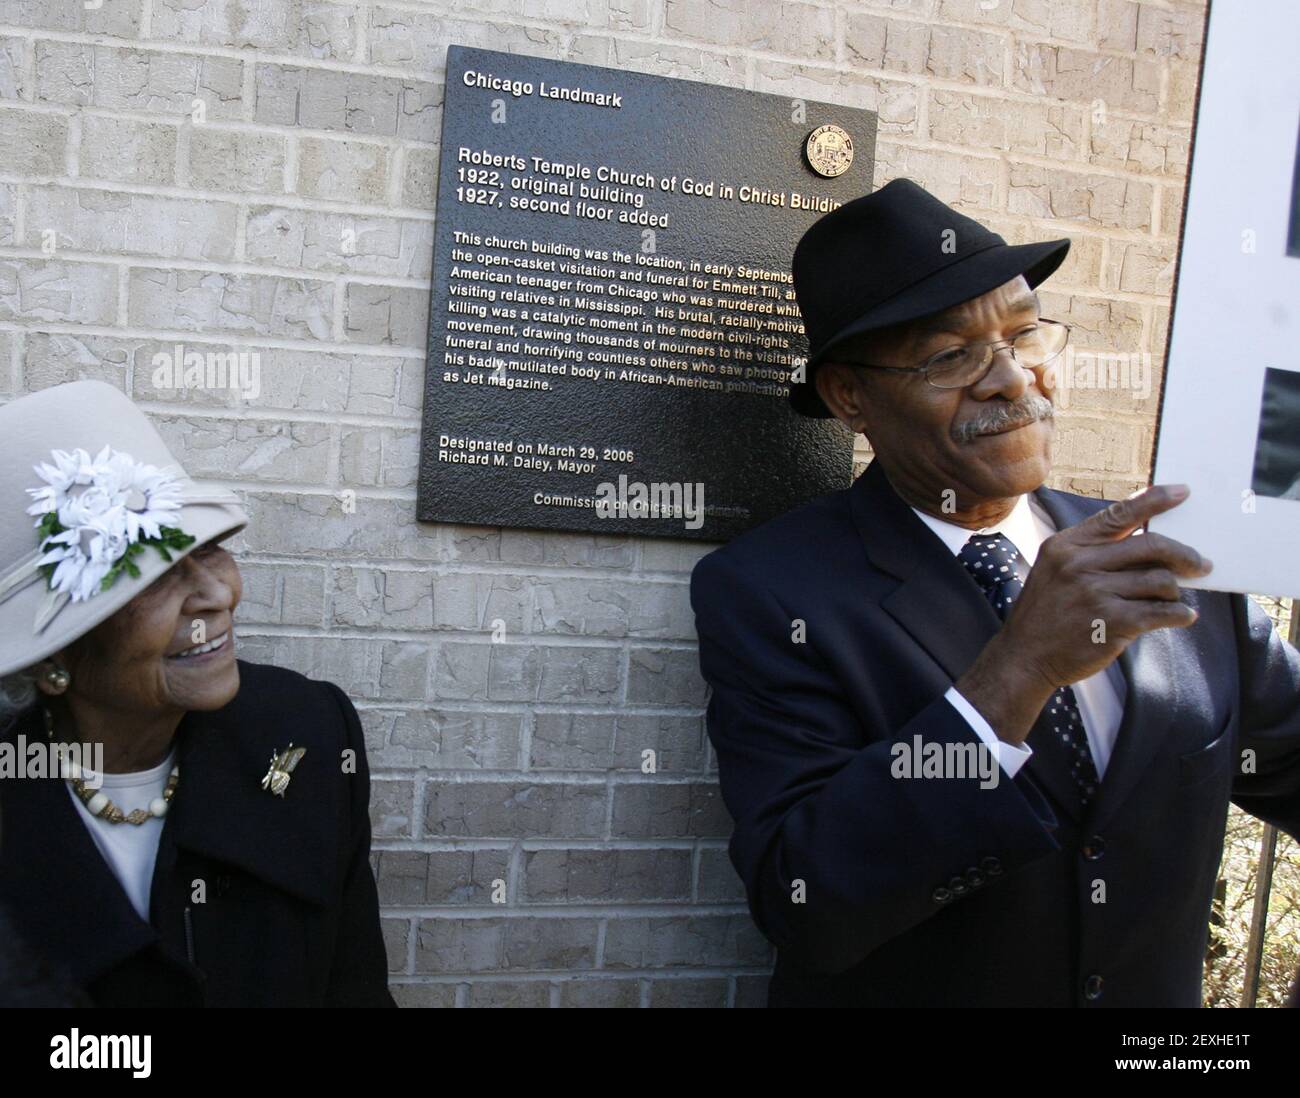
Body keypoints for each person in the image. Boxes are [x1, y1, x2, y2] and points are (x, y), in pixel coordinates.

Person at [690, 178, 1300, 1007]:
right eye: (951, 356)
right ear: (849, 396)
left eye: (1024, 335)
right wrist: (1018, 670)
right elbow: (810, 901)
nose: (1012, 380)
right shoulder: (771, 593)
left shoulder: (1165, 557)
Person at [0, 381, 395, 1007]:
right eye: (151, 577)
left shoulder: (307, 738)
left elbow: (356, 992)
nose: (217, 595)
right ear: (53, 657)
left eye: (208, 549)